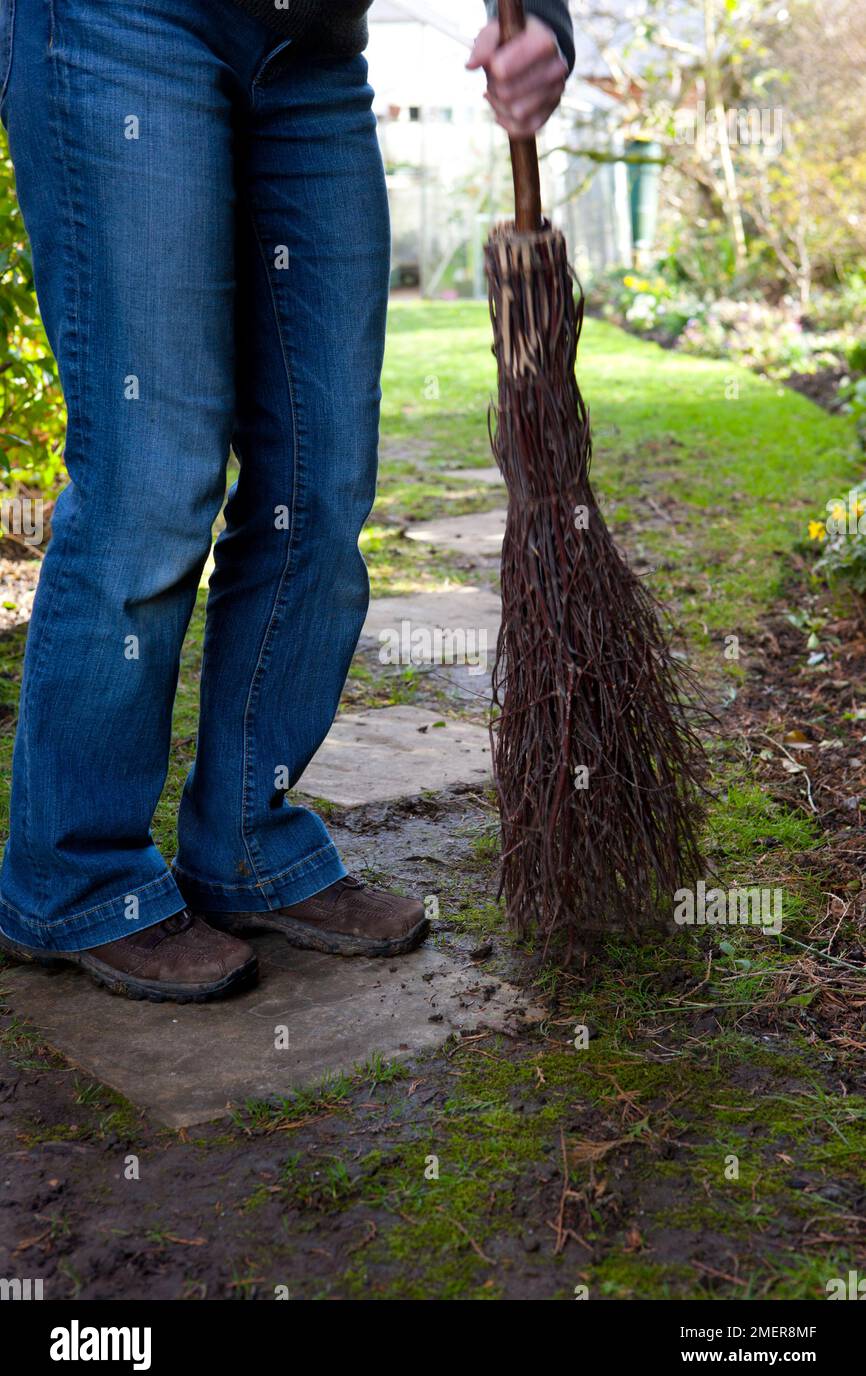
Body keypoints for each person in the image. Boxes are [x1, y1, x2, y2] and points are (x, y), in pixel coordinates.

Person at [0, 0, 574, 1002]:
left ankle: (247, 841)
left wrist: (543, 16)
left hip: (311, 48)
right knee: (153, 473)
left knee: (322, 475)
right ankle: (75, 875)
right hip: (121, 25)